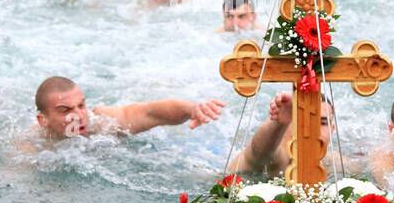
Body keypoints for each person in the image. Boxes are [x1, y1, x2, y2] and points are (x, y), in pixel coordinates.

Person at [32, 75, 224, 140]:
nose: (79, 116)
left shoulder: (102, 120)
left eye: (81, 105)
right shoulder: (31, 148)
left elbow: (151, 112)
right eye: (65, 110)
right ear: (43, 120)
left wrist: (192, 109)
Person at [227, 91, 331, 178]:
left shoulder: (332, 163)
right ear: (288, 126)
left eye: (322, 123)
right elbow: (261, 153)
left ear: (333, 128)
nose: (313, 130)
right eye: (302, 121)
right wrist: (279, 123)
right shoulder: (280, 158)